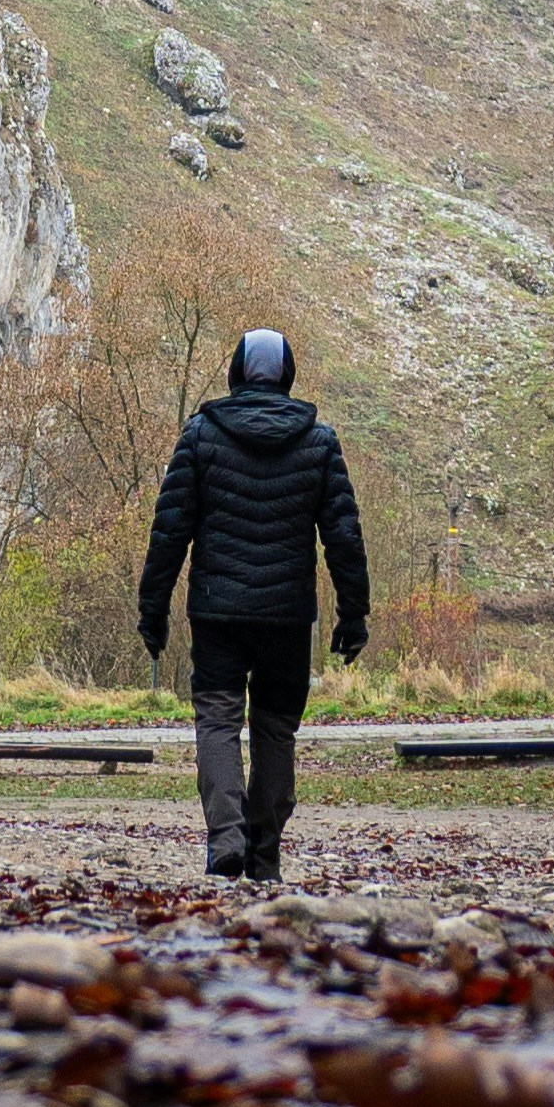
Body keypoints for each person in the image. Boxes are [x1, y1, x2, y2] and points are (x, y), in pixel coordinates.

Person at [136, 324, 368, 885]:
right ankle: (264, 856)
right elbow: (343, 535)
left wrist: (154, 608)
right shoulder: (319, 441)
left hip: (217, 612)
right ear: (287, 374)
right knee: (275, 729)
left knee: (217, 720)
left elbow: (169, 532)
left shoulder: (200, 435)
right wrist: (352, 612)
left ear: (236, 373)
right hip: (287, 617)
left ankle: (227, 839)